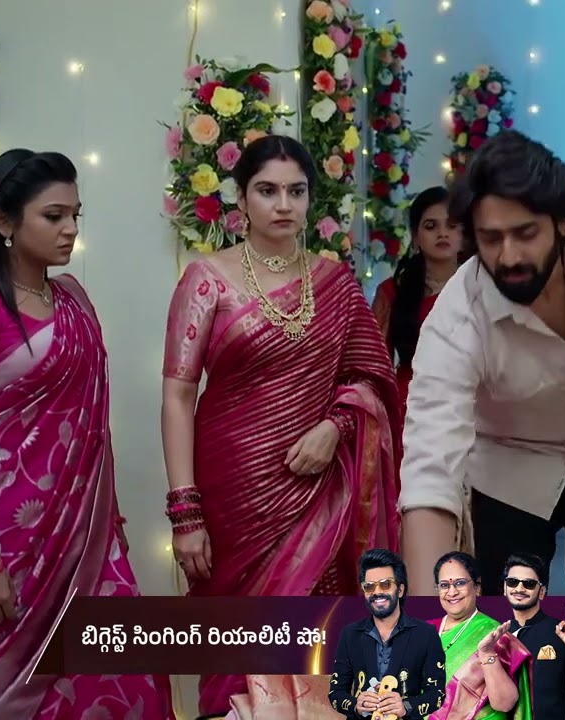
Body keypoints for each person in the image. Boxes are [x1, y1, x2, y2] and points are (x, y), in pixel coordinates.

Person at [397, 130, 565, 719]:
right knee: (511, 655)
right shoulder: (455, 321)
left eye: (525, 233)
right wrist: (431, 633)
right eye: (490, 238)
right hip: (511, 477)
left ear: (563, 223)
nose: (509, 256)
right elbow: (430, 476)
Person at [0, 149, 174, 719]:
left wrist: (105, 521)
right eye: (53, 216)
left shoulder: (75, 300)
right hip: (7, 539)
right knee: (18, 697)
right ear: (4, 221)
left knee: (124, 684)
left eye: (75, 215)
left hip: (84, 535)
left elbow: (90, 429)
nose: (70, 230)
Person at [160, 135, 402, 716]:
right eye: (267, 190)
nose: (284, 204)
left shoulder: (335, 282)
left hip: (317, 489)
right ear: (241, 198)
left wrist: (336, 426)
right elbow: (177, 396)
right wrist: (185, 511)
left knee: (317, 640)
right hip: (232, 495)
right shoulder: (206, 279)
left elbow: (372, 377)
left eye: (296, 191)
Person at [372, 186, 465, 414]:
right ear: (415, 238)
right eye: (431, 226)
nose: (442, 233)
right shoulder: (392, 292)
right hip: (410, 410)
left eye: (451, 226)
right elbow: (375, 367)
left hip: (470, 407)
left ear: (464, 235)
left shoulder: (479, 286)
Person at [329, 549, 447, 719]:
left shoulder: (426, 634)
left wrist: (406, 707)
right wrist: (356, 705)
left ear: (400, 590)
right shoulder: (350, 634)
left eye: (385, 584)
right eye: (369, 586)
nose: (377, 592)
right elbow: (336, 693)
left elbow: (437, 695)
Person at [427, 551, 533, 719]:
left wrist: (487, 653)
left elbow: (505, 704)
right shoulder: (424, 632)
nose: (452, 592)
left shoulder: (494, 634)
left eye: (460, 583)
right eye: (444, 585)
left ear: (476, 587)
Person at [501, 554, 565, 720]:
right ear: (505, 588)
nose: (519, 589)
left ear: (542, 592)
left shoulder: (561, 633)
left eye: (529, 584)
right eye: (512, 582)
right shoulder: (496, 636)